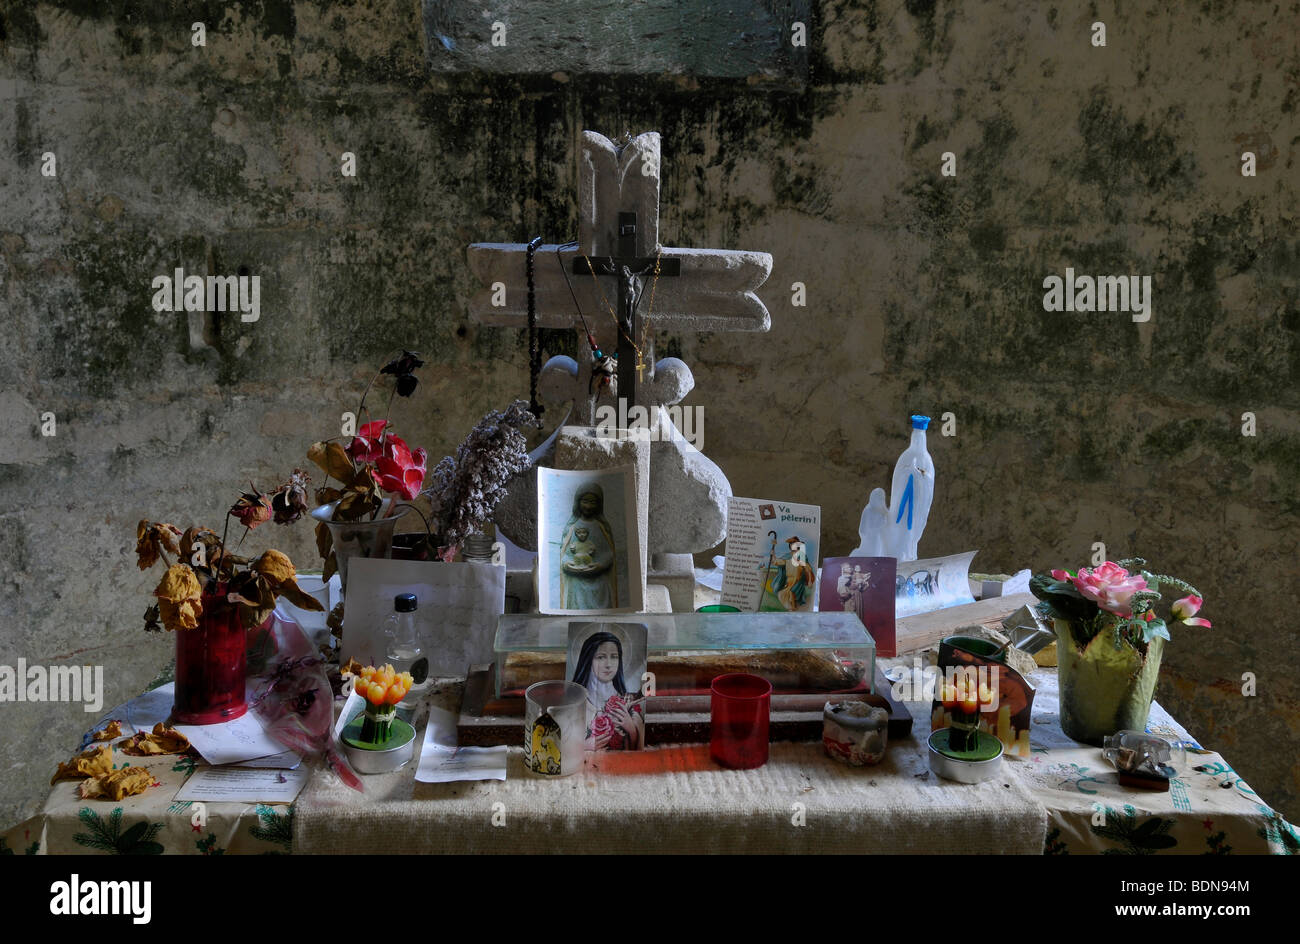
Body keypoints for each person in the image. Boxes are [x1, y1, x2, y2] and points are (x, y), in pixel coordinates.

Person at [571, 630, 644, 751]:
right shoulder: (574, 703)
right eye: (601, 657)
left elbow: (639, 755)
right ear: (588, 660)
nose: (609, 664)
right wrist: (582, 746)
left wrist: (632, 730)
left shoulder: (629, 704)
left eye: (614, 657)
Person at [558, 484, 619, 610]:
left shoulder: (600, 527)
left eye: (593, 502)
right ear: (578, 502)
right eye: (585, 501)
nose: (589, 506)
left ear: (599, 505)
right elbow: (564, 555)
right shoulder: (572, 528)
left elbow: (609, 554)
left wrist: (600, 565)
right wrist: (567, 564)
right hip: (577, 584)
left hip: (598, 582)